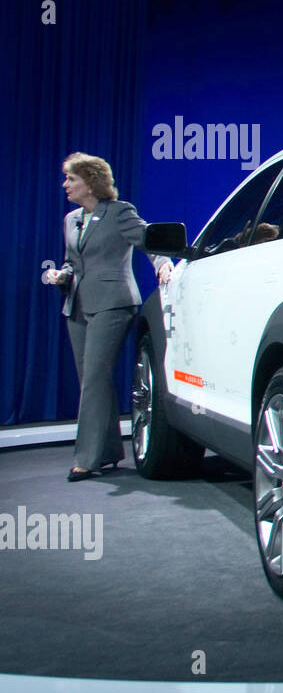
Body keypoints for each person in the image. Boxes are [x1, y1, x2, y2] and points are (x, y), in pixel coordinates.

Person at [43, 153, 172, 481]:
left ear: (90, 181)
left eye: (71, 178)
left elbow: (147, 239)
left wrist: (161, 263)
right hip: (78, 304)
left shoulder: (118, 212)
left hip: (113, 304)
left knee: (94, 379)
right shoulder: (71, 219)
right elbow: (74, 262)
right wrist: (62, 275)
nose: (65, 185)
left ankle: (86, 458)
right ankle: (110, 450)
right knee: (92, 380)